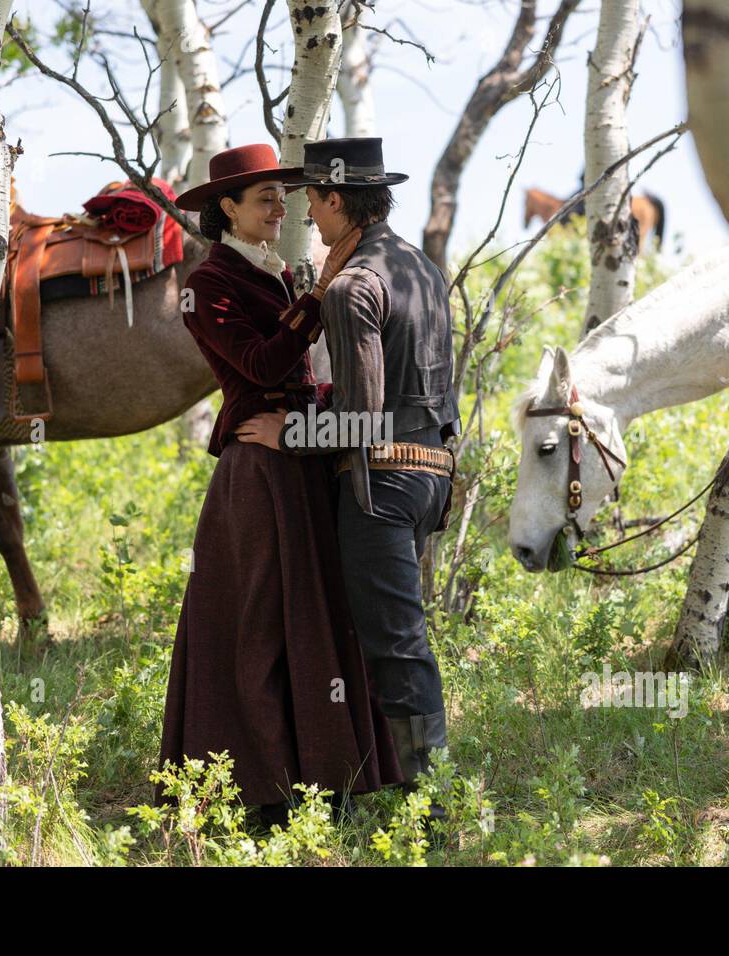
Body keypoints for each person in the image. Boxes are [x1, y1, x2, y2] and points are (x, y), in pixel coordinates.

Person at [157, 144, 403, 827]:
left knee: (317, 616)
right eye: (264, 197)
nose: (279, 207)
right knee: (259, 623)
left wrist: (328, 413)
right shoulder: (208, 285)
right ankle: (263, 792)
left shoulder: (279, 274)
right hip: (258, 471)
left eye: (282, 196)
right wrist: (320, 296)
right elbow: (263, 364)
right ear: (227, 209)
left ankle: (327, 778)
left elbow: (301, 377)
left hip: (298, 456)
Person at [236, 138, 462, 822]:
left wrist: (289, 432)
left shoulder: (352, 283)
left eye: (311, 199)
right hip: (431, 479)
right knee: (393, 639)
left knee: (398, 645)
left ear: (337, 200)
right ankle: (390, 789)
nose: (305, 209)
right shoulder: (418, 265)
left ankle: (433, 810)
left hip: (381, 486)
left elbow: (362, 421)